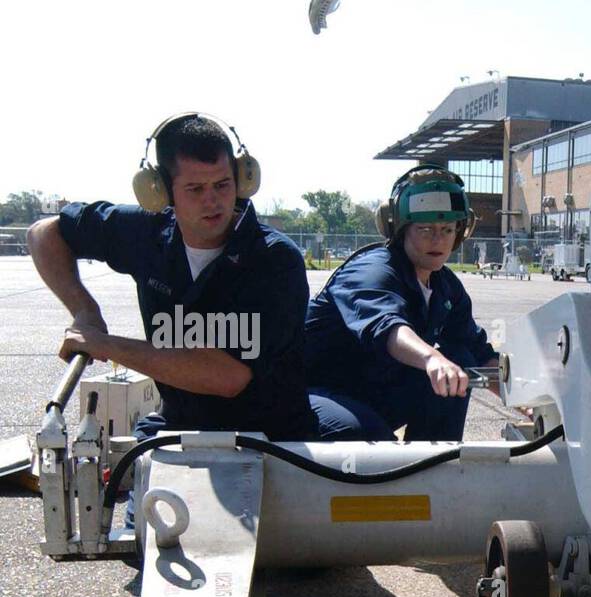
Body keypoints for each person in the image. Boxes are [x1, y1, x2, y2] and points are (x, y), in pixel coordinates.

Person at [28, 113, 319, 459]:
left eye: (223, 184)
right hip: (179, 426)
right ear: (160, 191)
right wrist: (84, 310)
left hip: (270, 440)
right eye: (195, 189)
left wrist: (106, 344)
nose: (213, 201)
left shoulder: (274, 260)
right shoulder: (145, 234)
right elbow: (44, 234)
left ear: (241, 180)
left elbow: (227, 377)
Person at [305, 166, 499, 441]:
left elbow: (478, 352)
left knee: (459, 361)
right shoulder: (372, 271)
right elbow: (389, 328)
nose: (438, 239)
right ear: (400, 230)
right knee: (368, 441)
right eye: (425, 229)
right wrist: (432, 358)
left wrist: (525, 393)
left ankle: (433, 469)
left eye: (447, 229)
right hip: (312, 394)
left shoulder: (445, 286)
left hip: (368, 392)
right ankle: (396, 475)